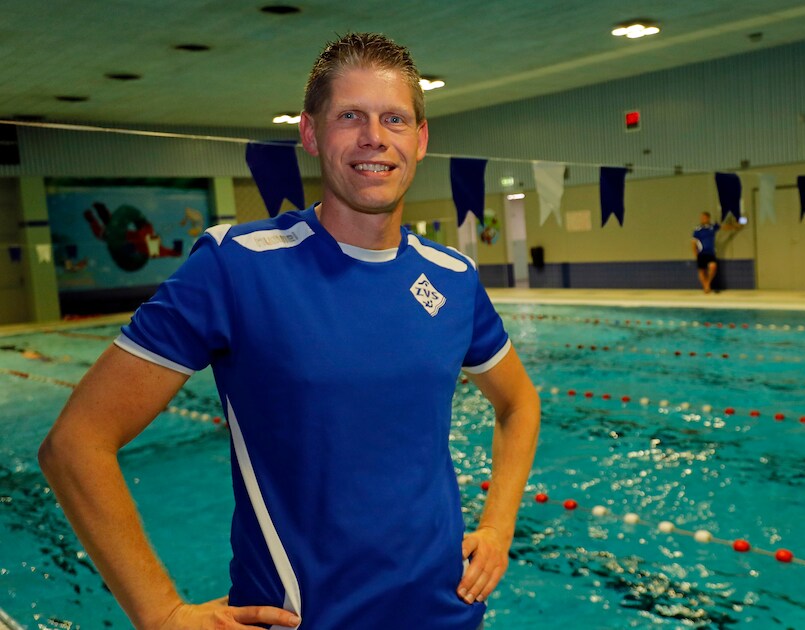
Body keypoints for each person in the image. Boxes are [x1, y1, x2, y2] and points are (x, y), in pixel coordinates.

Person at [39, 33, 540, 630]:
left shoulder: (452, 278)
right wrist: (161, 612)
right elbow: (75, 444)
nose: (373, 137)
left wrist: (499, 525)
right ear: (310, 133)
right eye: (349, 116)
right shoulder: (238, 265)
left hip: (447, 614)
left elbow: (519, 402)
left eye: (394, 119)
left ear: (421, 138)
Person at [691, 211, 739, 293]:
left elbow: (723, 227)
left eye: (704, 217)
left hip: (711, 252)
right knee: (702, 271)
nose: (702, 219)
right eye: (701, 218)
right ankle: (706, 287)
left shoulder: (712, 227)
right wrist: (695, 253)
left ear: (708, 218)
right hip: (701, 253)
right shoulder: (698, 229)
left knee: (713, 267)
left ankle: (707, 284)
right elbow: (693, 242)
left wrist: (735, 227)